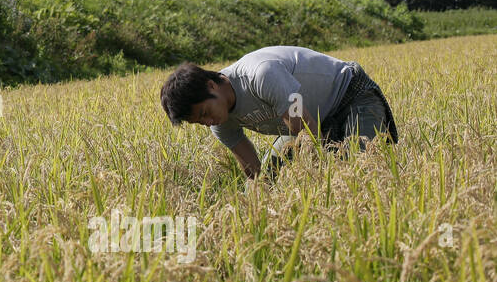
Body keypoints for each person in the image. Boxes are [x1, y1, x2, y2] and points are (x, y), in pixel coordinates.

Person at [159, 45, 398, 180]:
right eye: (199, 122)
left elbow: (304, 128)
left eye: (204, 113)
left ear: (211, 86)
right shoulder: (220, 123)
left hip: (350, 96)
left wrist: (314, 177)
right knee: (268, 178)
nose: (208, 122)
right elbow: (252, 168)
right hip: (309, 120)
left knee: (359, 172)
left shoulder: (261, 75)